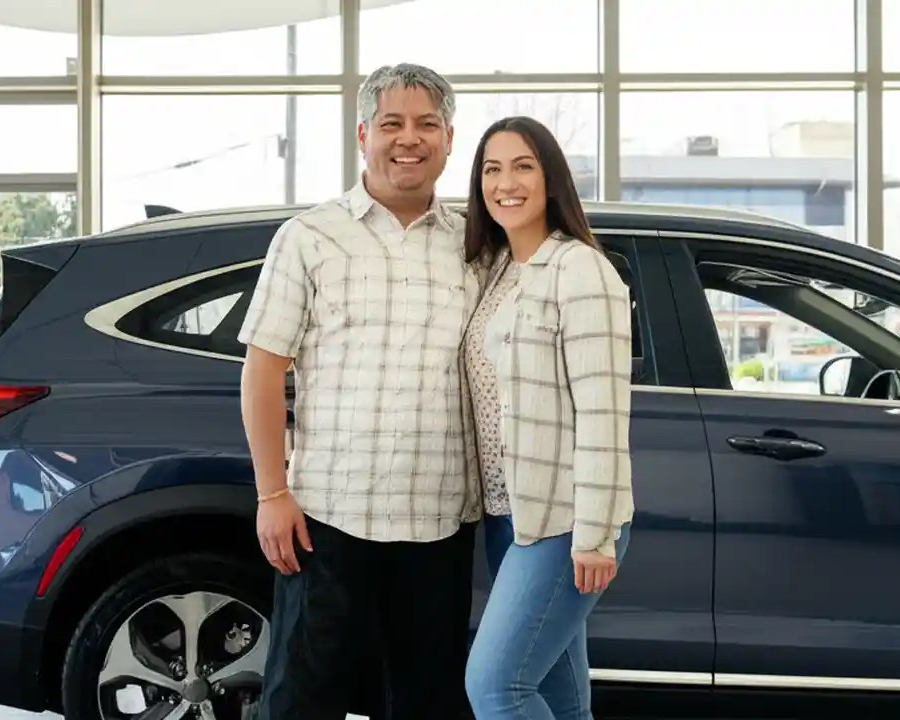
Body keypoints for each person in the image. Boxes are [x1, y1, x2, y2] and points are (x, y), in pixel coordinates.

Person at [238, 62, 483, 719]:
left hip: (439, 523)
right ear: (362, 133)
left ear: (449, 137)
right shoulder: (310, 237)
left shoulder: (475, 245)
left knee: (427, 701)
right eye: (392, 123)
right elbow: (263, 368)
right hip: (326, 518)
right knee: (300, 700)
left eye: (427, 124)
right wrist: (271, 494)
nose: (410, 138)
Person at [459, 116, 635, 720]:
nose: (505, 182)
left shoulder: (582, 270)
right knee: (560, 699)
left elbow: (604, 413)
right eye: (491, 169)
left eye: (523, 166)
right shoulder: (502, 270)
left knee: (495, 688)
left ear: (551, 178)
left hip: (563, 521)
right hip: (510, 513)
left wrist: (593, 534)